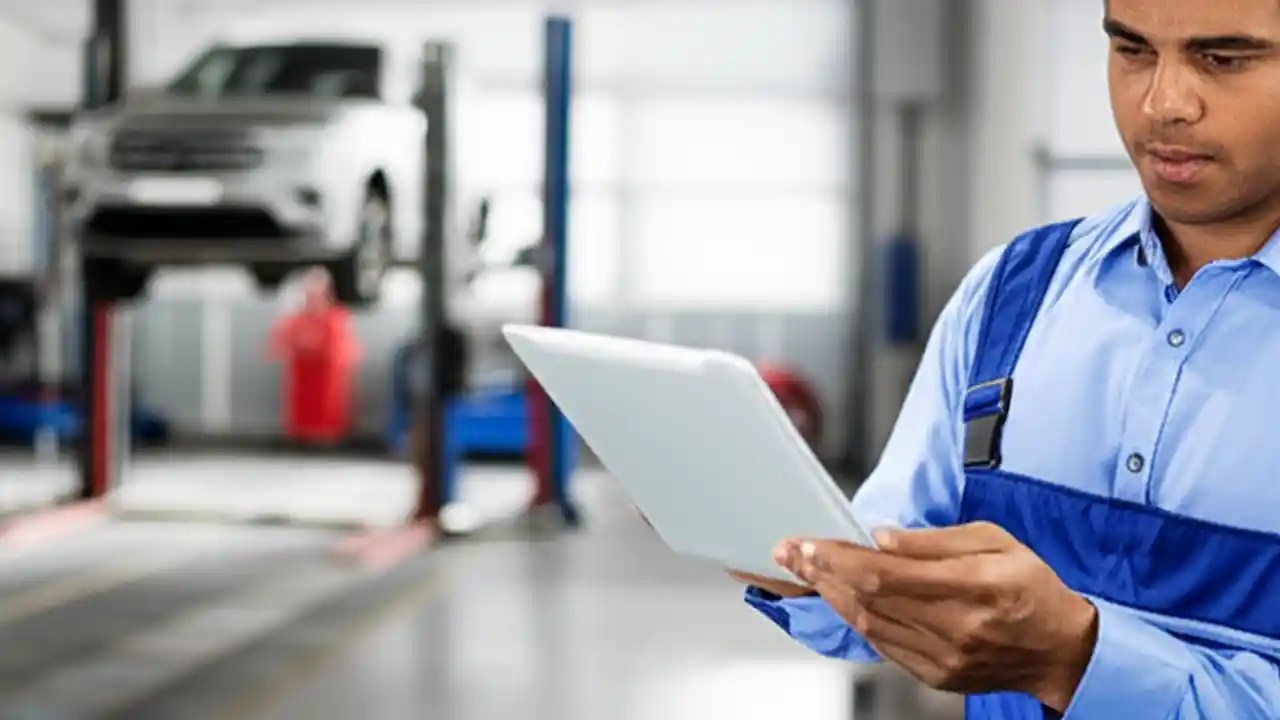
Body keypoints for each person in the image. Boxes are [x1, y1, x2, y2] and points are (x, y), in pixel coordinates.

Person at [735, 1, 1280, 717]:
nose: (1162, 103)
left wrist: (1078, 660)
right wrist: (785, 553)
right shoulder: (1013, 290)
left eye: (1223, 59)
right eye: (1133, 51)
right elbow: (887, 563)